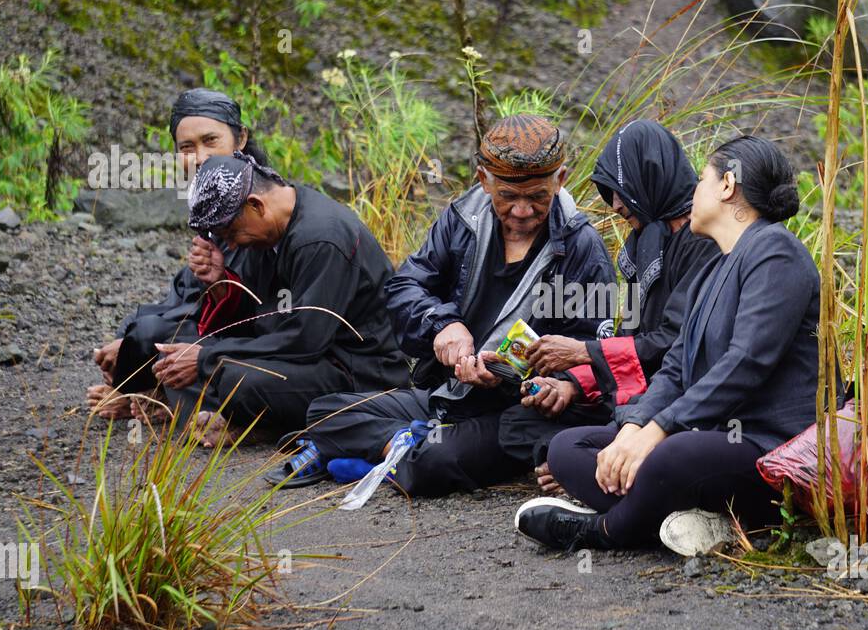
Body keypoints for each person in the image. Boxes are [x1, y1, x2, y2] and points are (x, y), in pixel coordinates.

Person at [516, 135, 823, 556]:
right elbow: (676, 367)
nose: (693, 191)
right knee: (569, 447)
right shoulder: (715, 265)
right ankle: (692, 518)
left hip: (764, 445)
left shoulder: (776, 252)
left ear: (728, 185)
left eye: (702, 180)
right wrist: (635, 427)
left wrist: (660, 431)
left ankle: (606, 530)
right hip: (709, 438)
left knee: (670, 455)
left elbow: (745, 363)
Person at [292, 114, 614, 494]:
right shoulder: (462, 220)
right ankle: (397, 447)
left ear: (560, 180)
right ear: (483, 180)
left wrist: (554, 383)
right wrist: (442, 324)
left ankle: (386, 452)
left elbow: (596, 348)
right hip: (449, 393)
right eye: (508, 196)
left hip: (512, 413)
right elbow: (405, 286)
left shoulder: (582, 247)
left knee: (436, 462)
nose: (522, 211)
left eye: (538, 196)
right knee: (323, 411)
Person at [499, 119, 721, 492]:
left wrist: (583, 352)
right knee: (515, 426)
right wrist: (570, 385)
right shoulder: (642, 243)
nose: (616, 205)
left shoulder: (701, 243)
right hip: (638, 390)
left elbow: (672, 343)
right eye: (609, 193)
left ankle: (587, 467)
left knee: (561, 447)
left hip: (676, 396)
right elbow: (629, 338)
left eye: (621, 191)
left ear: (650, 177)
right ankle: (585, 462)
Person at [151, 152, 409, 446]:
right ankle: (226, 419)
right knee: (177, 351)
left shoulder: (321, 238)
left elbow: (304, 342)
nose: (232, 244)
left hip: (356, 373)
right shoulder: (273, 228)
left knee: (239, 380)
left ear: (256, 205)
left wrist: (207, 360)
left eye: (231, 233)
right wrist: (221, 283)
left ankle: (248, 424)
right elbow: (262, 321)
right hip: (303, 358)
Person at [87, 88, 271, 420]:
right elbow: (186, 293)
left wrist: (138, 342)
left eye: (210, 141)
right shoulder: (211, 202)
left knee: (149, 335)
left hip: (258, 338)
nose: (200, 157)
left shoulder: (257, 205)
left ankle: (151, 396)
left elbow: (256, 306)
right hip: (218, 323)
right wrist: (126, 337)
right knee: (138, 327)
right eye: (187, 147)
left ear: (240, 138)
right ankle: (144, 389)